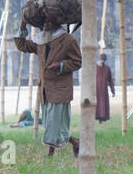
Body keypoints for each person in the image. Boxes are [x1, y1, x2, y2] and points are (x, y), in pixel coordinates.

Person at [12, 14, 82, 156]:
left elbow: (77, 62)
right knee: (51, 123)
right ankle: (75, 142)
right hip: (45, 89)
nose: (46, 25)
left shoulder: (68, 40)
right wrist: (22, 26)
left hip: (60, 89)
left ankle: (51, 153)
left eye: (49, 22)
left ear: (57, 23)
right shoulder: (41, 40)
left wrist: (61, 66)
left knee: (53, 122)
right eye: (44, 23)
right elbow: (22, 46)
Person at [95, 52, 115, 123]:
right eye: (101, 59)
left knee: (103, 104)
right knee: (97, 104)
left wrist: (113, 91)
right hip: (96, 90)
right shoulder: (95, 67)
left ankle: (103, 118)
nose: (102, 61)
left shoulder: (107, 68)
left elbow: (110, 80)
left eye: (103, 60)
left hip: (104, 89)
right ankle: (98, 117)